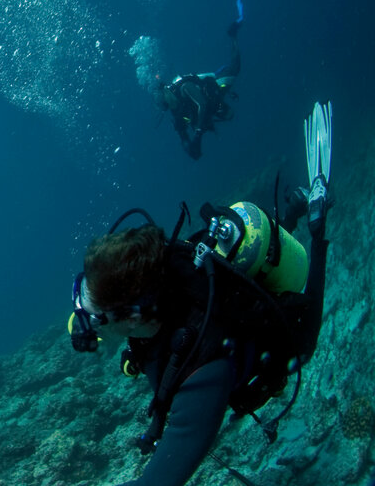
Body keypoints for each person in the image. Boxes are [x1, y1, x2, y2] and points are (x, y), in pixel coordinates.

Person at [68, 102, 332, 486]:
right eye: (80, 294)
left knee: (304, 338)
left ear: (135, 316)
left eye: (94, 318)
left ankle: (318, 222)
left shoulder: (202, 374)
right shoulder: (163, 273)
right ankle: (287, 218)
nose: (81, 323)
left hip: (272, 336)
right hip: (223, 292)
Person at [157, 0, 243, 159]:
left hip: (215, 87)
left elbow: (202, 104)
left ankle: (233, 34)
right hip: (212, 105)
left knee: (235, 68)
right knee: (228, 114)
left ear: (167, 91)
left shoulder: (183, 89)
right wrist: (189, 147)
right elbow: (183, 136)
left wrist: (197, 135)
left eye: (166, 98)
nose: (169, 102)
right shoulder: (176, 114)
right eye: (166, 104)